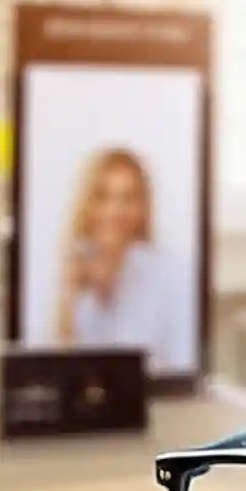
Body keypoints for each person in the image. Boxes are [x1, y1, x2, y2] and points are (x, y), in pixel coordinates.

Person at [56, 147, 192, 373]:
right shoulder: (78, 280)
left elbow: (182, 370)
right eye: (103, 197)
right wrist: (72, 294)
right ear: (88, 206)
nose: (114, 210)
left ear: (142, 208)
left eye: (128, 198)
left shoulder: (171, 272)